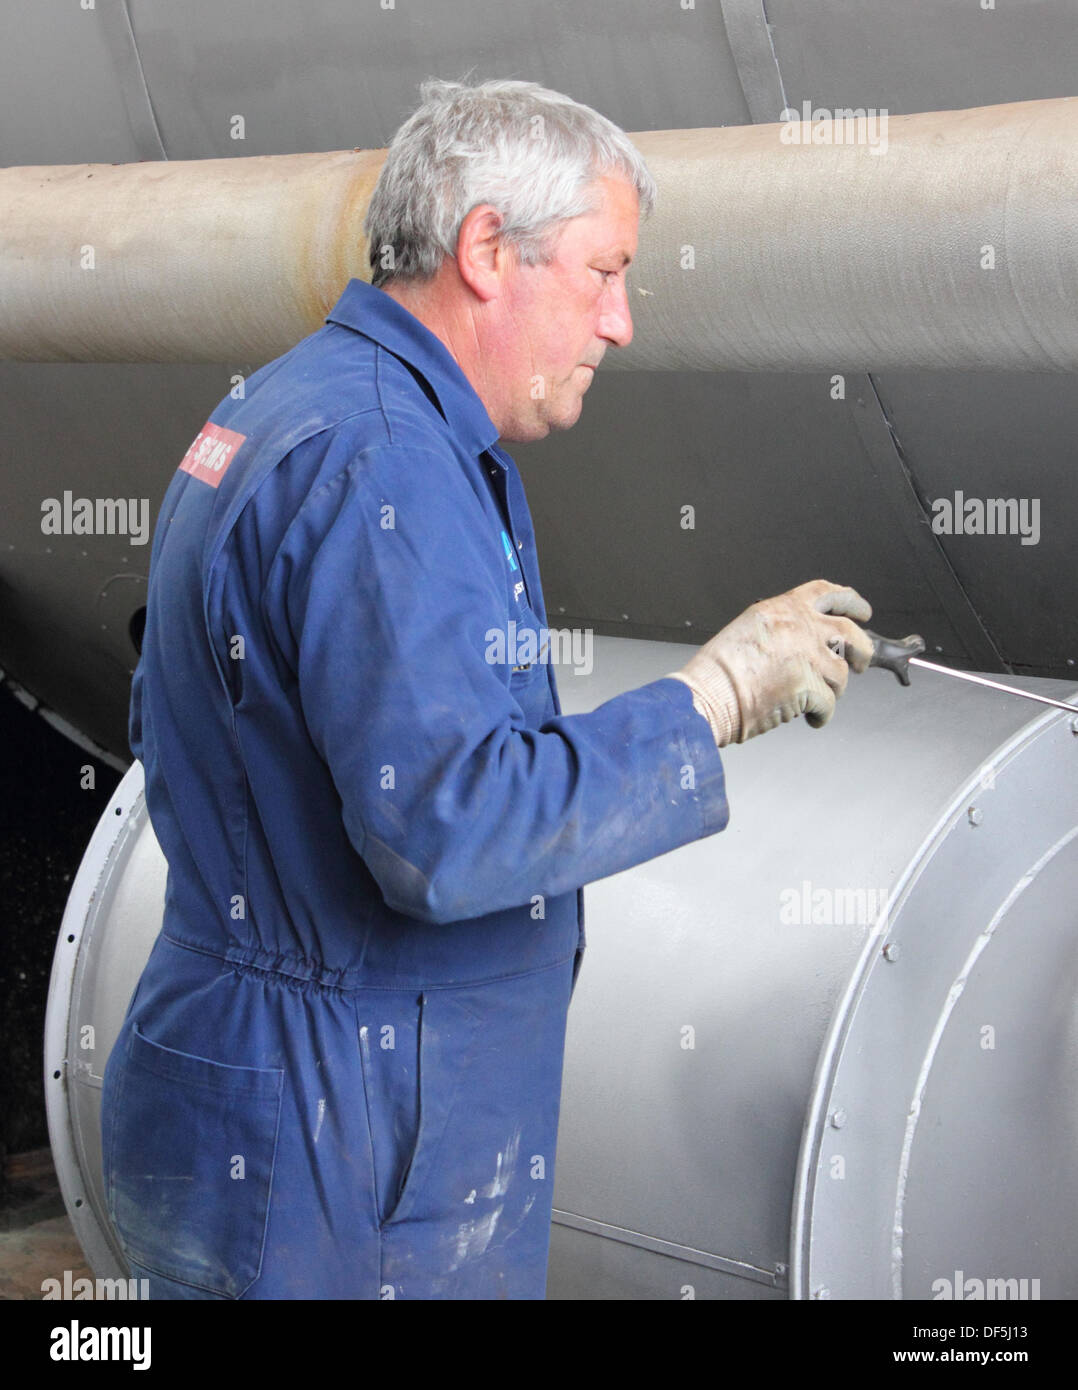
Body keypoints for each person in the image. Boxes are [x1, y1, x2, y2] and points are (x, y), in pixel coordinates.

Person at [100, 77, 874, 1300]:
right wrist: (712, 699)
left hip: (246, 1086)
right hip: (339, 1145)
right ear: (484, 252)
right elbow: (450, 830)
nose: (620, 321)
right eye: (604, 270)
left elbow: (176, 721)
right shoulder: (384, 463)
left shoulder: (290, 403)